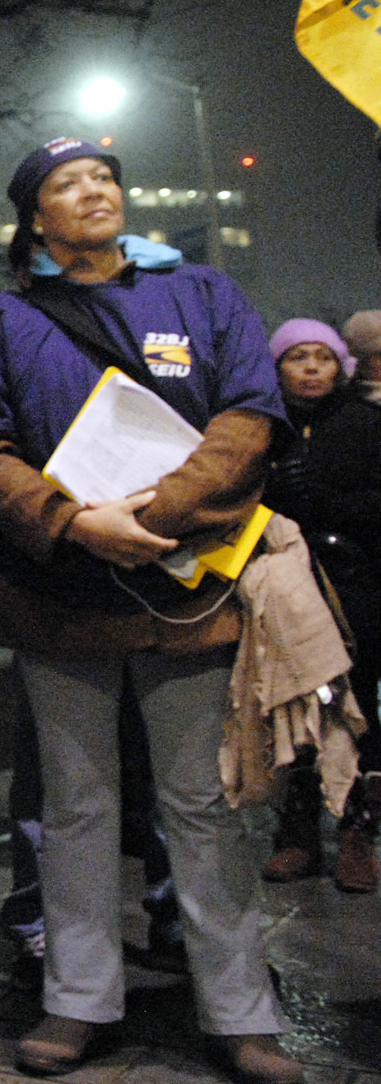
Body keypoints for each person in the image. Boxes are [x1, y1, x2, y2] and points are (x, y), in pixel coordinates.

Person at [0, 136, 300, 1083]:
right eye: (67, 183)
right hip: (62, 599)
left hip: (190, 596)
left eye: (105, 177)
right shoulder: (1, 321)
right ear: (36, 221)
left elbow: (250, 417)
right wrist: (72, 522)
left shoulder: (206, 295)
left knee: (205, 808)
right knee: (75, 807)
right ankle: (78, 1000)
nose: (93, 190)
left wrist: (159, 512)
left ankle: (240, 1011)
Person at [257, 318, 379, 893]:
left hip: (358, 587)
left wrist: (325, 500)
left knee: (360, 710)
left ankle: (357, 831)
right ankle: (298, 832)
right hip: (289, 589)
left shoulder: (365, 424)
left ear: (341, 366)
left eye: (322, 357)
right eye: (296, 358)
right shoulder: (265, 429)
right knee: (294, 705)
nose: (310, 368)